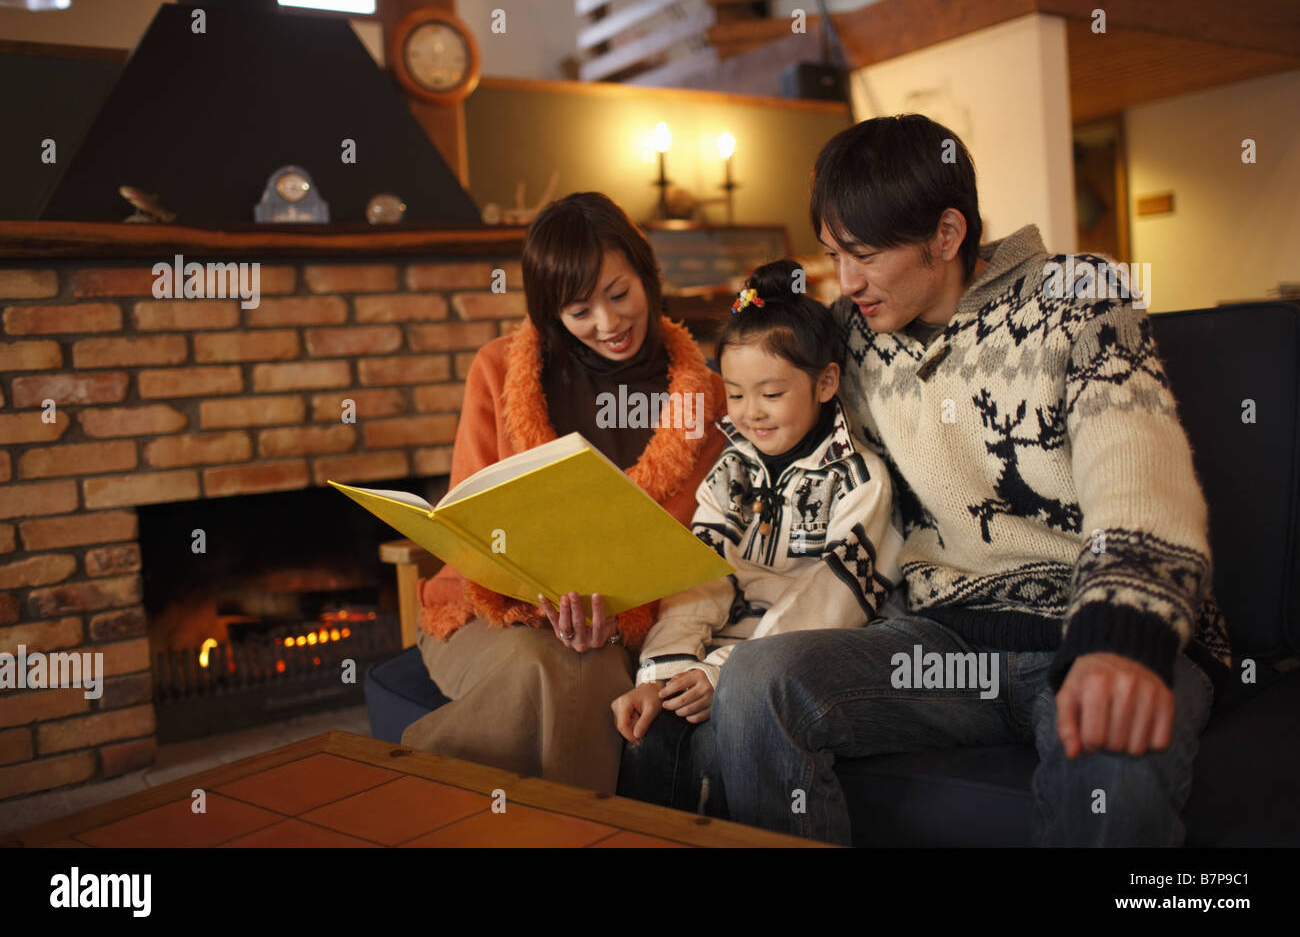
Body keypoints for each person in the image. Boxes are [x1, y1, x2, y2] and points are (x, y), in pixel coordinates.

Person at [712, 114, 1233, 846]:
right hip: (939, 644)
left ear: (948, 235)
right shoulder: (850, 334)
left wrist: (1119, 637)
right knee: (757, 683)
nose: (847, 280)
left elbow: (1137, 468)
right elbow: (763, 425)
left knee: (1110, 760)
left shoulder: (1080, 298)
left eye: (863, 255)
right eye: (833, 255)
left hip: (1083, 629)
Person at [402, 191, 727, 794]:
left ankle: (414, 779)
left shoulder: (704, 399)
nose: (607, 324)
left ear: (647, 275)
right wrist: (538, 607)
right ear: (552, 314)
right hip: (484, 614)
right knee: (556, 665)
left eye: (619, 294)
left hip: (627, 630)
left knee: (582, 665)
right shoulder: (499, 370)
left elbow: (704, 546)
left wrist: (612, 620)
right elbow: (470, 528)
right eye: (579, 310)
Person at [612, 259, 903, 818]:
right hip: (714, 658)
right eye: (736, 394)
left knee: (717, 747)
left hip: (793, 661)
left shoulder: (861, 481)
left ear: (825, 382)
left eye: (770, 393)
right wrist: (666, 675)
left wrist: (723, 675)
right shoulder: (731, 471)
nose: (750, 414)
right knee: (645, 736)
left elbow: (829, 605)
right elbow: (697, 576)